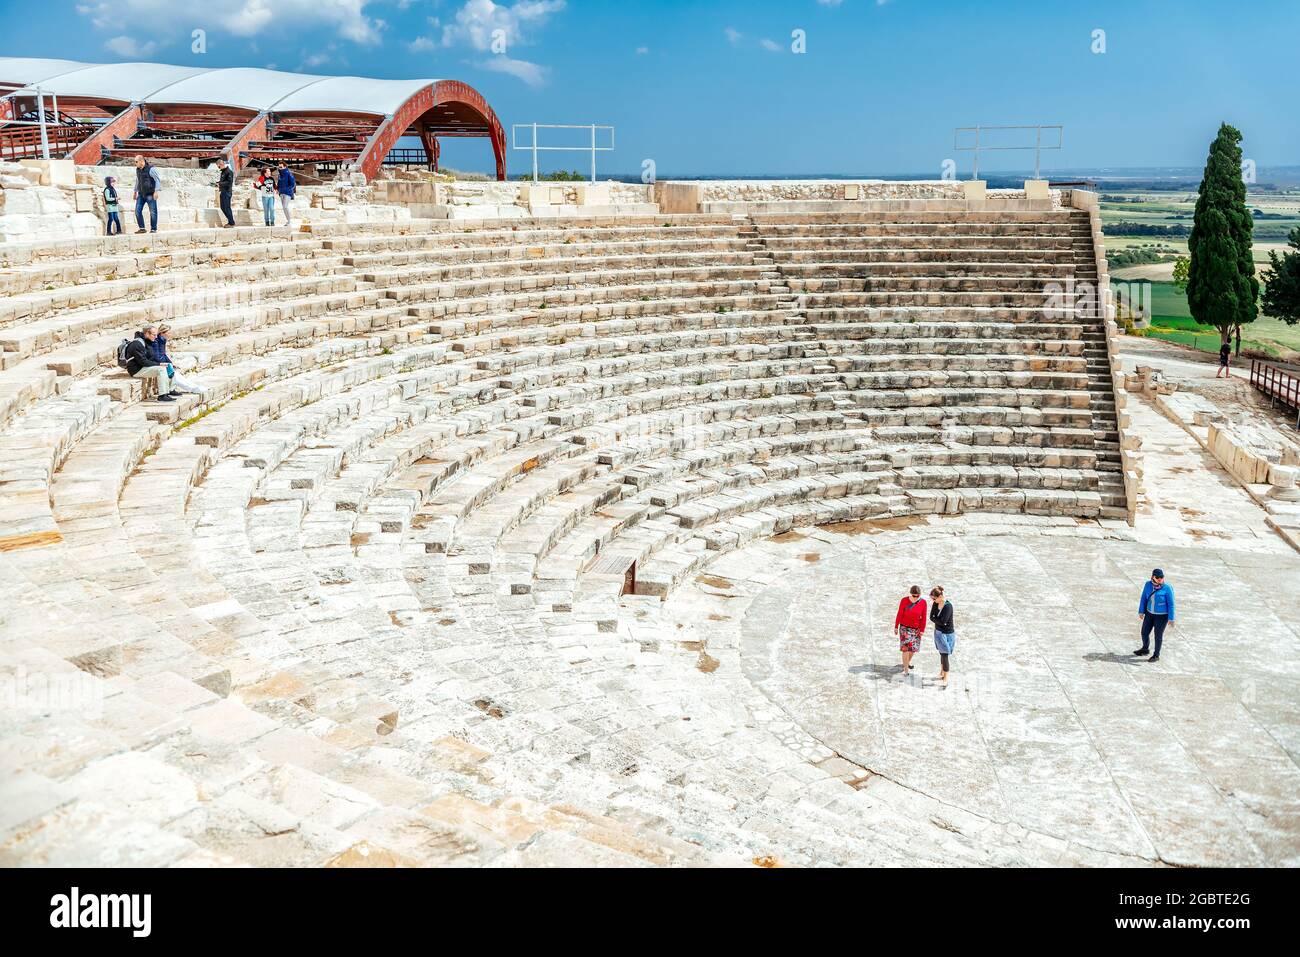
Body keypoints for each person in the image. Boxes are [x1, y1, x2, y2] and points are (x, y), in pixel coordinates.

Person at [123, 325, 177, 401]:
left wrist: (165, 363)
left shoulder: (148, 341)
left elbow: (151, 357)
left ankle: (169, 391)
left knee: (166, 366)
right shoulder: (137, 344)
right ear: (147, 333)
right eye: (154, 335)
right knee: (161, 369)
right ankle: (162, 395)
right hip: (136, 370)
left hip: (143, 367)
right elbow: (143, 361)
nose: (156, 337)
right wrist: (159, 364)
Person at [149, 324, 204, 397]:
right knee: (175, 375)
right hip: (158, 363)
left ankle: (194, 387)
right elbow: (156, 356)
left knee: (176, 373)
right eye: (168, 333)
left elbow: (163, 354)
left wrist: (171, 363)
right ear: (162, 333)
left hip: (162, 362)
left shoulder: (162, 340)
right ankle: (192, 389)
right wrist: (166, 364)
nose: (170, 334)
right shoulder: (156, 342)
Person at [1134, 568, 1175, 663]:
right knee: (1144, 632)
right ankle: (1145, 648)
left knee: (1158, 636)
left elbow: (1171, 604)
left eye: (1162, 577)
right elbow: (1144, 597)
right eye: (1158, 577)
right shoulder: (1147, 585)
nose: (1160, 579)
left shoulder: (1167, 588)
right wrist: (1141, 611)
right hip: (1149, 614)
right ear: (1153, 577)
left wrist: (1171, 618)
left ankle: (1156, 655)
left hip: (1162, 616)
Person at [893, 585, 927, 677]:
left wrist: (922, 630)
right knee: (905, 649)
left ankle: (906, 662)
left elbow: (924, 617)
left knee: (913, 649)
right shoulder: (904, 600)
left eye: (917, 596)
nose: (915, 598)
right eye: (914, 596)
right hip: (904, 628)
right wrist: (896, 626)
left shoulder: (923, 602)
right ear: (911, 594)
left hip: (916, 629)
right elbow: (899, 613)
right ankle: (906, 670)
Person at [930, 586, 956, 688]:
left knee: (945, 655)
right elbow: (931, 617)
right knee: (941, 653)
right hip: (938, 632)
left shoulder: (948, 606)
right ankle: (941, 672)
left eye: (934, 598)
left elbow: (943, 621)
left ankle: (946, 677)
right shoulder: (936, 603)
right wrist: (938, 620)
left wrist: (937, 620)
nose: (933, 600)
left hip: (947, 634)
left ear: (940, 596)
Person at [132, 155, 161, 234]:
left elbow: (157, 180)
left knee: (153, 212)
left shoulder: (151, 169)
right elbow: (137, 180)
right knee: (137, 211)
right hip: (141, 194)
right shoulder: (137, 169)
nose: (135, 163)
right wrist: (135, 191)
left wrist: (156, 191)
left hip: (150, 194)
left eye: (136, 162)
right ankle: (142, 228)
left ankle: (153, 229)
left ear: (141, 161)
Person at [214, 158, 235, 228]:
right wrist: (218, 183)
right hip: (222, 192)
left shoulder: (229, 172)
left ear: (221, 164)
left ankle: (231, 223)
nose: (218, 167)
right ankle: (230, 221)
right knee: (222, 207)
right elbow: (223, 181)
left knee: (227, 207)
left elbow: (229, 183)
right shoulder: (223, 171)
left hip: (227, 192)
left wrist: (220, 184)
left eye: (218, 166)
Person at [275, 161, 296, 226]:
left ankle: (289, 221)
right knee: (284, 208)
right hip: (281, 193)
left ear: (285, 167)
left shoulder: (289, 174)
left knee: (285, 206)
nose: (280, 168)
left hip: (288, 193)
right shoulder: (279, 175)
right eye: (279, 167)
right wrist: (278, 189)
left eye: (281, 167)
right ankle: (288, 221)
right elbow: (279, 183)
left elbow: (293, 184)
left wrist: (287, 190)